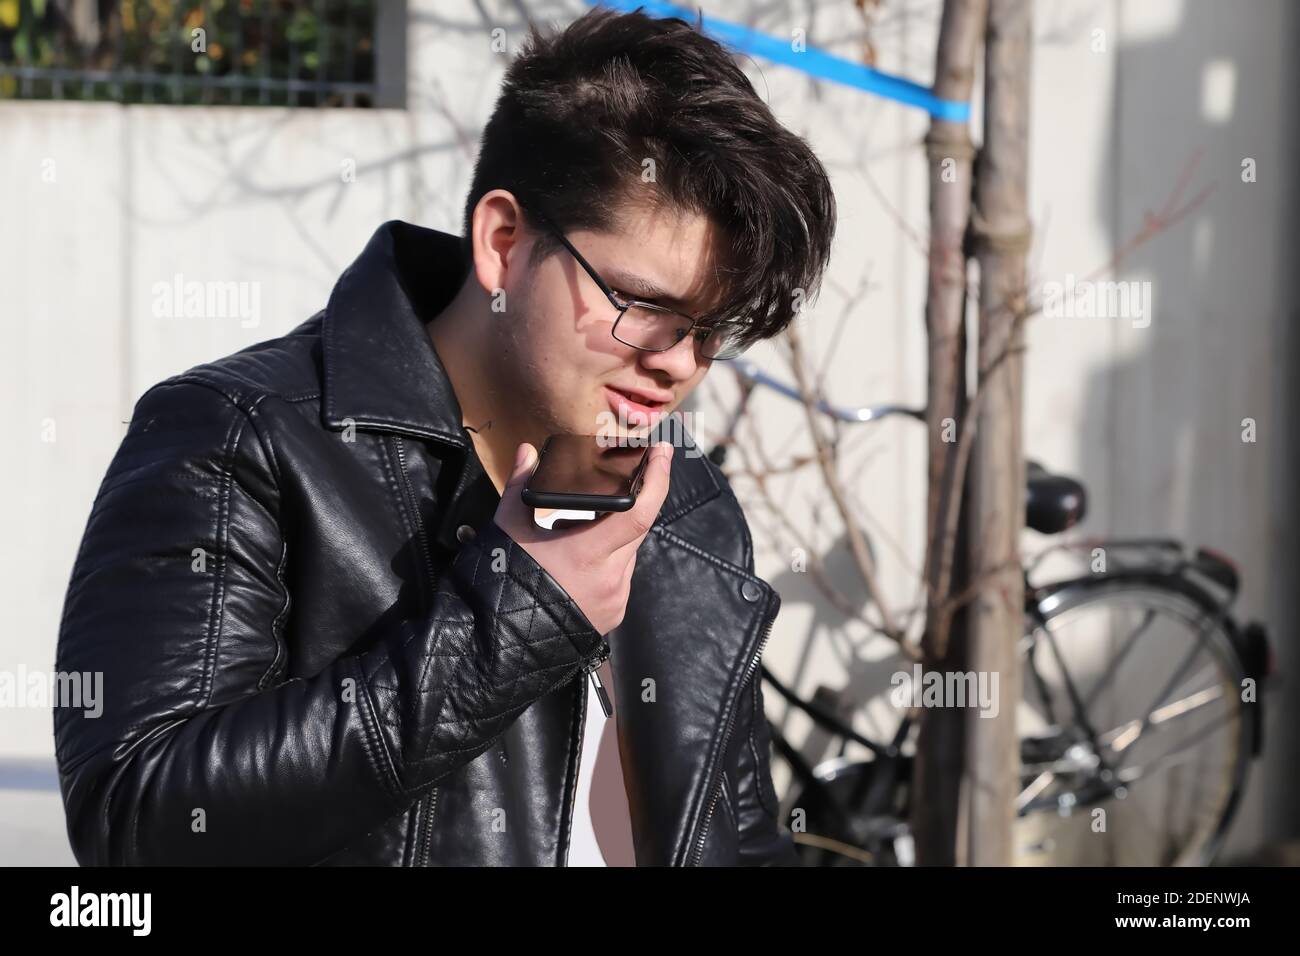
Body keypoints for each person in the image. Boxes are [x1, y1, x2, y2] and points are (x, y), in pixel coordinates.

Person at [53, 5, 836, 866]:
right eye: (644, 307)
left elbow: (744, 844)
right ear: (503, 242)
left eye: (710, 327)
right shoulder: (243, 439)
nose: (679, 363)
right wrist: (518, 619)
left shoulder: (685, 509)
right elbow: (142, 823)